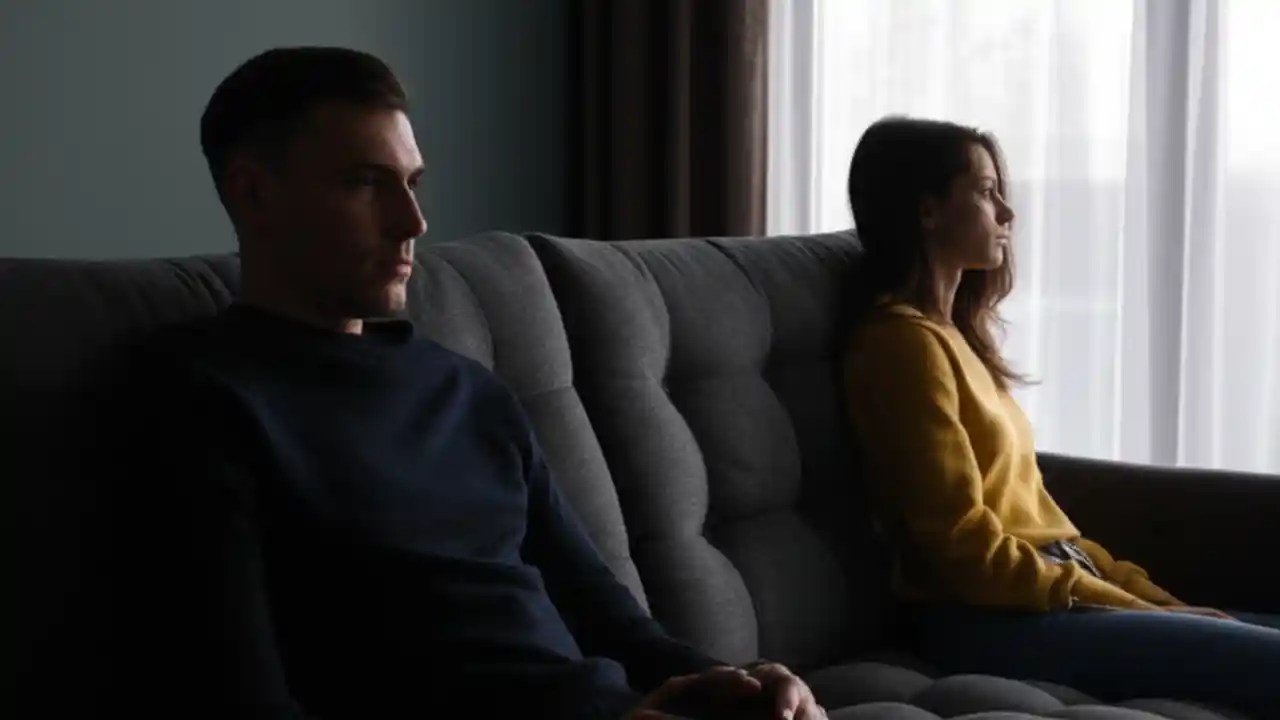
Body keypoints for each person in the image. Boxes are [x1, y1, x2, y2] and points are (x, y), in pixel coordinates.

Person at [106, 47, 825, 720]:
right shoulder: (198, 397)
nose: (412, 222)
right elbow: (243, 692)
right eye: (365, 184)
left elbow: (610, 620)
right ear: (254, 194)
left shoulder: (465, 390)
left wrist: (741, 681)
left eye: (413, 184)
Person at [840, 116, 1280, 716]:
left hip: (1049, 592)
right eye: (986, 192)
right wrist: (1136, 609)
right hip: (988, 617)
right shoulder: (900, 345)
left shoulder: (953, 338)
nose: (1006, 213)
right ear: (927, 211)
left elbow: (1051, 531)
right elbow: (961, 547)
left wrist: (1159, 603)